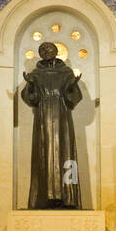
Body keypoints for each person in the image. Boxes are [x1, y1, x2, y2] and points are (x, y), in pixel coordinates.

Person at [21, 42, 83, 209]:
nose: (46, 52)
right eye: (42, 50)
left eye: (49, 49)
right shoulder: (36, 74)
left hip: (63, 116)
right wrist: (31, 85)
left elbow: (73, 99)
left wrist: (72, 86)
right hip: (43, 118)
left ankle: (69, 198)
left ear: (56, 52)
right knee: (44, 154)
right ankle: (42, 198)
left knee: (66, 153)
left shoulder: (66, 73)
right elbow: (30, 99)